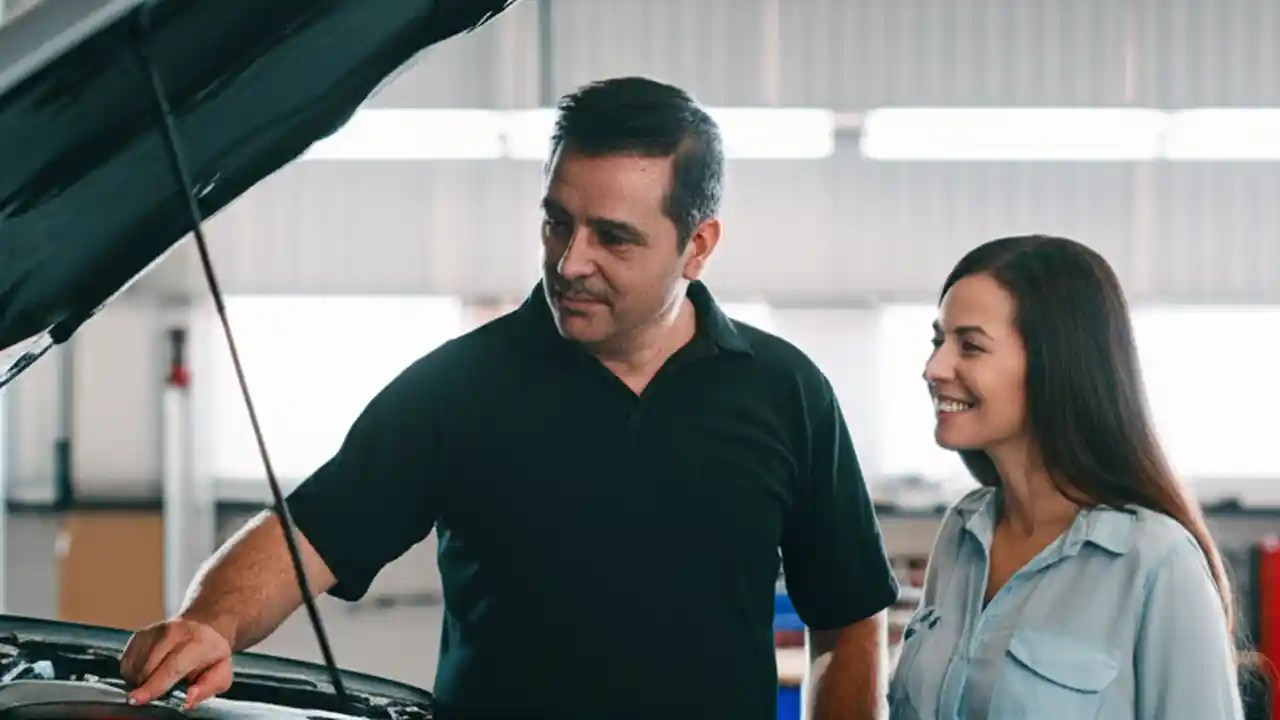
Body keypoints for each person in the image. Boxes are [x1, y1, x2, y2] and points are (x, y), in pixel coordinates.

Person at [119, 76, 899, 719]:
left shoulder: (786, 392)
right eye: (558, 223)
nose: (570, 262)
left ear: (697, 245)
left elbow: (849, 620)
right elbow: (306, 538)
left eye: (613, 237)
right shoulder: (460, 388)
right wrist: (209, 623)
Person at [890, 234, 1245, 719]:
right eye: (938, 341)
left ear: (1054, 363)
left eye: (969, 346)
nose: (934, 368)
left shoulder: (1156, 561)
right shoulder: (963, 531)